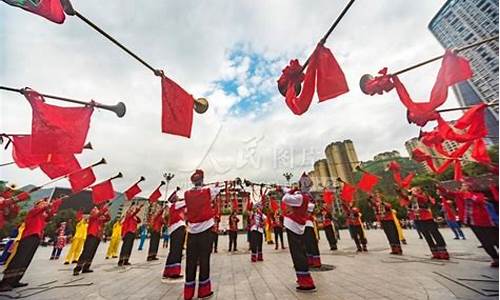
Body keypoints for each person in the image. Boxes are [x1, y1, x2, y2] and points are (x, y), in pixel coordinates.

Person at [0, 198, 62, 291]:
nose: (44, 204)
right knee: (19, 259)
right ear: (37, 205)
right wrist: (49, 205)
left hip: (36, 238)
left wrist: (57, 204)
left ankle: (15, 280)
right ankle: (5, 282)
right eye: (42, 203)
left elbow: (50, 215)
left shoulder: (41, 216)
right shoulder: (33, 212)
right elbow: (45, 208)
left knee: (26, 260)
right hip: (28, 237)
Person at [183, 169, 222, 300]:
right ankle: (203, 291)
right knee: (204, 260)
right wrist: (216, 185)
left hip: (192, 232)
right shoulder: (207, 191)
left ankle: (188, 293)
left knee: (191, 261)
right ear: (202, 180)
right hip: (205, 230)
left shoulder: (187, 194)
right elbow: (217, 189)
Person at [441, 183, 498, 267]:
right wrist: (440, 186)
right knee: (484, 241)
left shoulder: (478, 194)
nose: (462, 187)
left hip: (487, 221)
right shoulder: (460, 194)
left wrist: (468, 194)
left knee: (495, 239)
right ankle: (495, 258)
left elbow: (479, 200)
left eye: (464, 185)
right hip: (473, 222)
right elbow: (447, 193)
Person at [281, 173, 316, 292]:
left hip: (293, 226)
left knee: (298, 255)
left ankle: (306, 283)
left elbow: (285, 199)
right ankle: (302, 278)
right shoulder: (303, 196)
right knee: (300, 253)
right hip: (297, 226)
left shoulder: (301, 197)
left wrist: (290, 190)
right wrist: (289, 189)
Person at [409, 187, 449, 260]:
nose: (414, 191)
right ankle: (434, 252)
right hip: (417, 218)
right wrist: (399, 191)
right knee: (426, 235)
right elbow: (405, 200)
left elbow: (424, 200)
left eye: (416, 190)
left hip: (427, 217)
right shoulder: (411, 198)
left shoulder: (424, 196)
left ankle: (443, 251)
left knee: (435, 233)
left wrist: (415, 195)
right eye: (413, 190)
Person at [73, 205, 110, 275]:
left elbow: (108, 219)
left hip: (98, 236)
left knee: (92, 252)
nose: (96, 210)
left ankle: (86, 267)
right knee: (86, 252)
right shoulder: (92, 217)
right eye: (94, 209)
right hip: (91, 235)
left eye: (96, 209)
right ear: (92, 212)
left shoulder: (100, 219)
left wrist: (106, 213)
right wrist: (103, 210)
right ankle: (78, 268)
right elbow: (98, 214)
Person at [163, 189, 186, 280]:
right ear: (174, 199)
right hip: (177, 229)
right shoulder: (175, 205)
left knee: (174, 250)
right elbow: (187, 201)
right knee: (176, 250)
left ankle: (168, 271)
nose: (178, 198)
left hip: (176, 229)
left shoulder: (177, 207)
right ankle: (174, 272)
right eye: (176, 197)